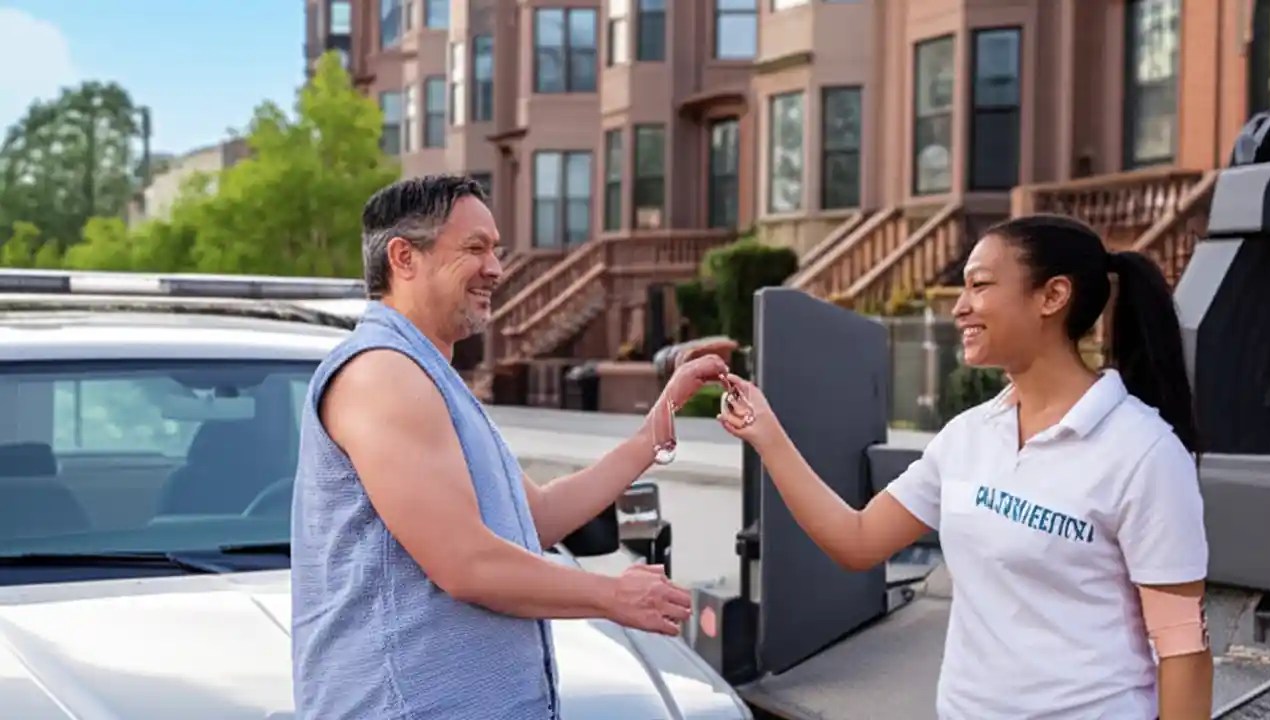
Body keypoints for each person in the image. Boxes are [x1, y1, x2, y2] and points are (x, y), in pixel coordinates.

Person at [715, 213, 1213, 720]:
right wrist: (767, 434)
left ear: (1052, 296)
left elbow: (1182, 650)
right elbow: (857, 539)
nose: (960, 307)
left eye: (980, 285)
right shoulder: (969, 435)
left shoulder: (1144, 452)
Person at [290, 174, 728, 720]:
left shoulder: (431, 378)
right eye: (474, 248)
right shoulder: (382, 374)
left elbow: (536, 517)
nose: (495, 268)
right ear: (404, 257)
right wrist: (612, 596)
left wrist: (655, 429)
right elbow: (466, 564)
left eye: (496, 249)